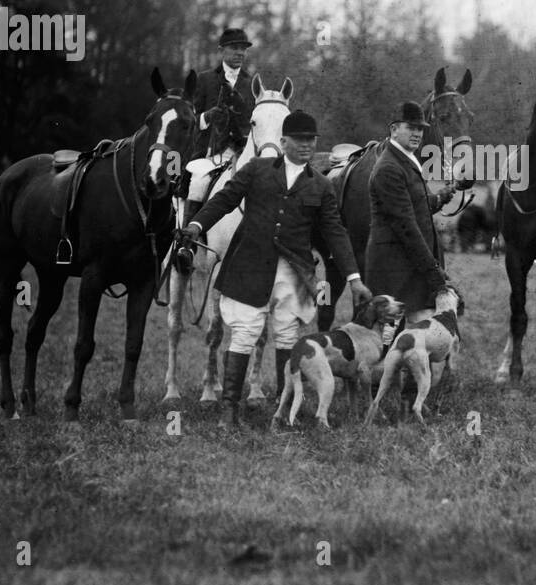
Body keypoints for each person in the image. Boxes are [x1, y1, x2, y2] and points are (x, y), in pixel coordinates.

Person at [184, 109, 372, 424]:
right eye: (299, 139)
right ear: (283, 141)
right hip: (250, 266)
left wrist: (354, 279)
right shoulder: (256, 170)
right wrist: (196, 225)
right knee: (244, 333)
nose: (306, 145)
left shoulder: (322, 186)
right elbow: (224, 200)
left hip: (294, 273)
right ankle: (229, 410)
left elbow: (336, 233)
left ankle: (283, 410)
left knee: (287, 336)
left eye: (311, 140)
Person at [365, 101, 458, 327]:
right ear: (394, 129)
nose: (417, 133)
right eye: (411, 127)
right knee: (391, 344)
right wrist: (435, 273)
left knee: (415, 343)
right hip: (394, 271)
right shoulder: (389, 168)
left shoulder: (406, 161)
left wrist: (443, 195)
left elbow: (416, 207)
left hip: (409, 266)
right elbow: (406, 225)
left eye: (420, 129)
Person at [183, 27, 256, 222]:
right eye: (234, 48)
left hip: (241, 152)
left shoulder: (252, 84)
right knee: (199, 182)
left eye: (243, 48)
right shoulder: (205, 79)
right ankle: (187, 237)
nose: (240, 53)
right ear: (221, 50)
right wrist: (207, 116)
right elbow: (191, 121)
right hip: (210, 152)